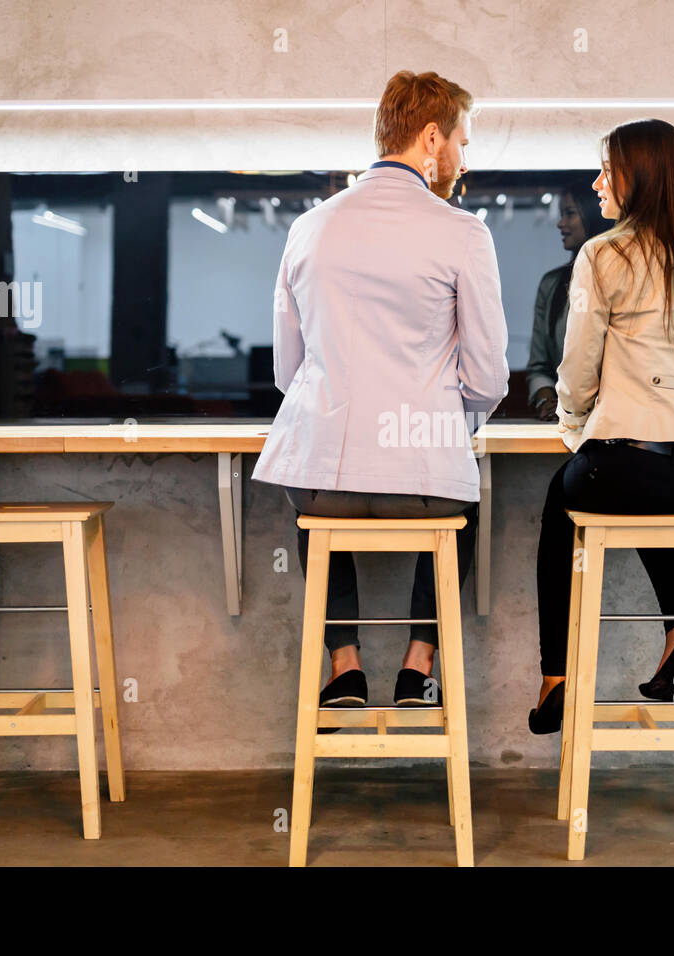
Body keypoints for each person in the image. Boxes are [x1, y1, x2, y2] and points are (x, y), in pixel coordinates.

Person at [252, 70, 509, 713]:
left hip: (324, 482)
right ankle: (418, 664)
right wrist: (446, 424)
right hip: (423, 488)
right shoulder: (464, 232)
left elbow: (288, 374)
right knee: (463, 501)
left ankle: (344, 666)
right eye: (462, 140)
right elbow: (487, 379)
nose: (463, 155)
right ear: (431, 138)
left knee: (315, 504)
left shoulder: (308, 228)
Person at [528, 118, 674, 734]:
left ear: (640, 177)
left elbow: (576, 368)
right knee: (643, 478)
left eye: (607, 170)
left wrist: (574, 427)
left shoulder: (603, 255)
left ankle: (558, 678)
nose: (598, 184)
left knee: (580, 488)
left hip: (631, 468)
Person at [526, 184, 607, 420]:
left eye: (570, 213)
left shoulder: (624, 279)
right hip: (566, 424)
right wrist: (546, 399)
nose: (561, 224)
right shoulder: (552, 285)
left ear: (594, 214)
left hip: (613, 423)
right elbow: (539, 366)